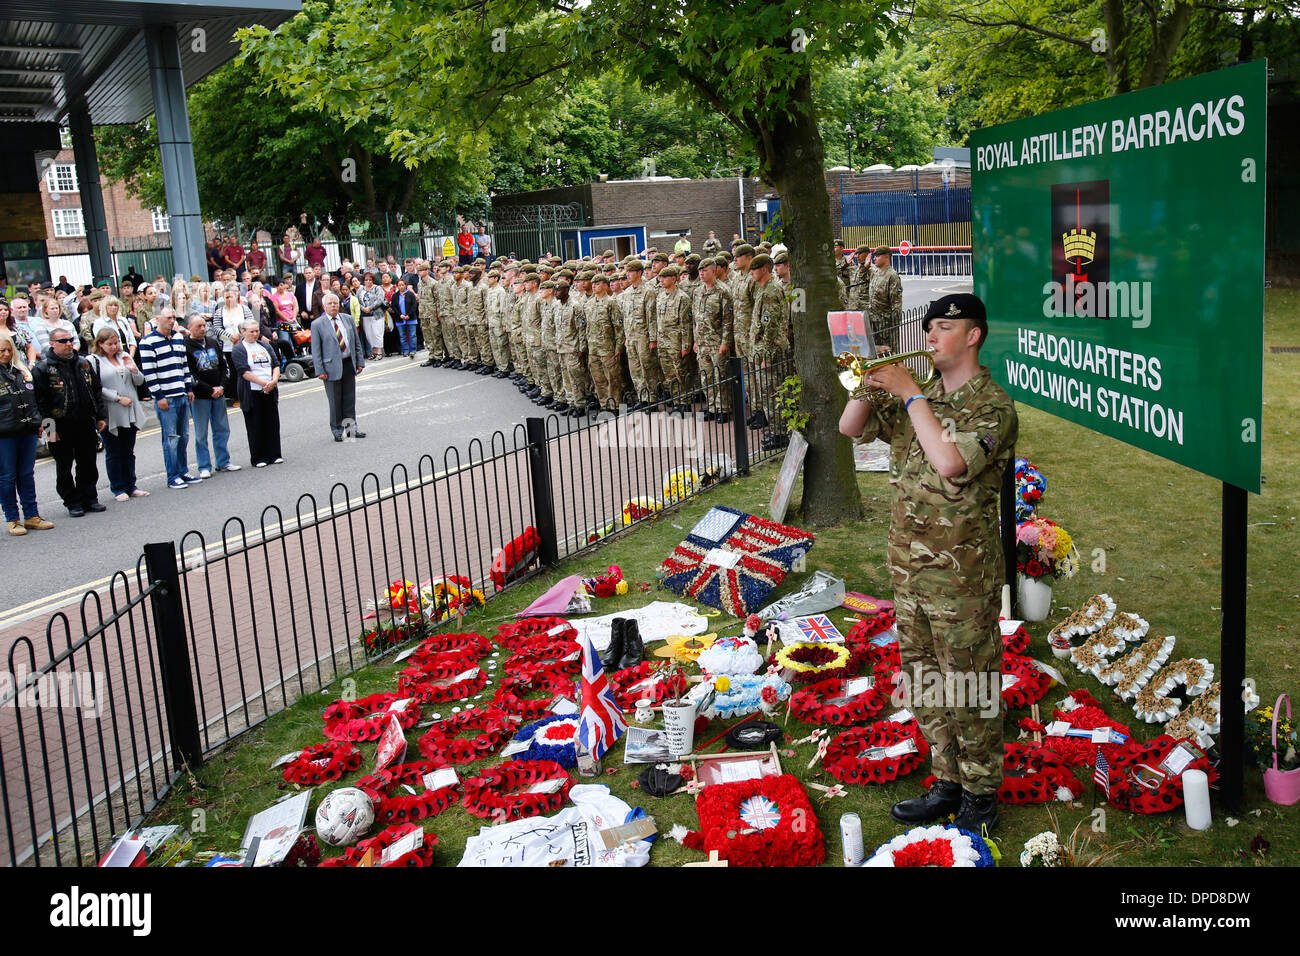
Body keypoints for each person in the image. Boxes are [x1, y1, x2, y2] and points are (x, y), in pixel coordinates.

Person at [838, 293, 1017, 834]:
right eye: (929, 328)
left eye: (943, 327)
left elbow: (952, 460)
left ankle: (982, 792)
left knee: (969, 685)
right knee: (922, 681)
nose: (932, 337)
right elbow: (851, 427)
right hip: (910, 572)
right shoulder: (926, 396)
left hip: (963, 578)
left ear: (974, 335)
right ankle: (948, 778)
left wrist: (911, 392)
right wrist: (867, 382)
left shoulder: (993, 406)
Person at [32, 323, 107, 516]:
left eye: (70, 340)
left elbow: (96, 390)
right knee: (64, 465)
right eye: (63, 341)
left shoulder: (83, 363)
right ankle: (72, 501)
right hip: (59, 424)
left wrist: (100, 415)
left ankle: (89, 498)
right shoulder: (43, 369)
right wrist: (48, 428)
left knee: (88, 462)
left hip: (84, 422)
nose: (68, 344)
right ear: (52, 344)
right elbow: (39, 401)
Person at [137, 306, 199, 491]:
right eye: (168, 318)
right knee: (171, 438)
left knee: (184, 436)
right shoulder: (147, 342)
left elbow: (184, 365)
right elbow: (149, 372)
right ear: (158, 319)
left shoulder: (179, 337)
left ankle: (183, 470)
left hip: (181, 393)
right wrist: (159, 396)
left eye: (173, 317)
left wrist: (188, 388)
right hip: (166, 397)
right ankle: (172, 476)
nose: (172, 321)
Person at [0, 332, 53, 534]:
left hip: (27, 430)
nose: (5, 354)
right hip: (4, 434)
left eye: (8, 350)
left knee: (26, 474)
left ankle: (32, 515)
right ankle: (12, 519)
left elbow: (33, 400)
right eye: (1, 351)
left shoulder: (21, 371)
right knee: (7, 477)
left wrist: (39, 422)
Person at [89, 328, 149, 501]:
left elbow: (139, 381)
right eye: (110, 344)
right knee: (114, 452)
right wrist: (117, 398)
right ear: (100, 344)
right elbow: (96, 387)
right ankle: (118, 488)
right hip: (112, 410)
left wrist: (133, 369)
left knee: (128, 451)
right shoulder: (94, 360)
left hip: (130, 409)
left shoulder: (124, 357)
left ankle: (131, 485)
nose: (114, 347)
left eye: (116, 343)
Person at [185, 314, 240, 479]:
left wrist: (222, 386)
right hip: (201, 396)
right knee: (201, 433)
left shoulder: (212, 342)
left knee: (222, 428)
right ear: (189, 328)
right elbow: (190, 375)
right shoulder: (185, 346)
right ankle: (204, 466)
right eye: (198, 326)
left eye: (204, 325)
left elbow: (225, 366)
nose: (202, 329)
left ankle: (223, 461)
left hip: (218, 394)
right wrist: (210, 390)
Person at [310, 292, 366, 442]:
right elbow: (316, 350)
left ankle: (350, 429)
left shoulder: (347, 319)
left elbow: (356, 343)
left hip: (348, 362)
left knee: (349, 399)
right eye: (330, 303)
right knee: (335, 400)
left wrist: (360, 361)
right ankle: (337, 429)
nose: (333, 306)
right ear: (324, 306)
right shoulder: (317, 324)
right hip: (330, 367)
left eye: (335, 303)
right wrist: (319, 370)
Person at [231, 319, 282, 467]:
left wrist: (273, 381)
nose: (255, 334)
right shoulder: (239, 349)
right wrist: (263, 384)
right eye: (251, 331)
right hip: (252, 391)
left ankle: (274, 454)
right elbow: (244, 372)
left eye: (257, 331)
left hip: (269, 389)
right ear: (243, 332)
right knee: (255, 425)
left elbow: (275, 364)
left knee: (272, 422)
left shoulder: (265, 345)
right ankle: (259, 457)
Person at [867, 244, 903, 354]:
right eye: (874, 255)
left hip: (886, 324)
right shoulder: (875, 273)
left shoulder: (892, 276)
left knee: (890, 353)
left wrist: (893, 325)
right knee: (877, 353)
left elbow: (896, 303)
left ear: (887, 257)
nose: (874, 258)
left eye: (877, 256)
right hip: (874, 321)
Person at [387, 277, 419, 358]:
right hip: (400, 319)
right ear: (397, 286)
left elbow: (414, 306)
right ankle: (405, 350)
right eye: (399, 285)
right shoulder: (395, 296)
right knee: (402, 336)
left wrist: (409, 315)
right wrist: (400, 315)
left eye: (403, 285)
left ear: (405, 285)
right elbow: (394, 307)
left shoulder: (410, 294)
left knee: (412, 335)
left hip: (411, 318)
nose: (401, 287)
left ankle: (412, 350)